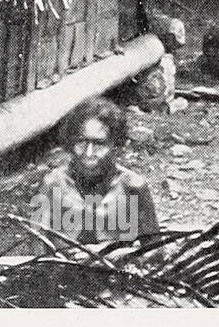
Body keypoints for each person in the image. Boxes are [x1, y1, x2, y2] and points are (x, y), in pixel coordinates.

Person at [35, 97, 160, 245]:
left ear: (117, 146)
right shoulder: (54, 184)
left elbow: (155, 250)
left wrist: (111, 254)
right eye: (81, 142)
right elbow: (37, 248)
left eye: (99, 144)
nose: (88, 153)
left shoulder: (132, 187)